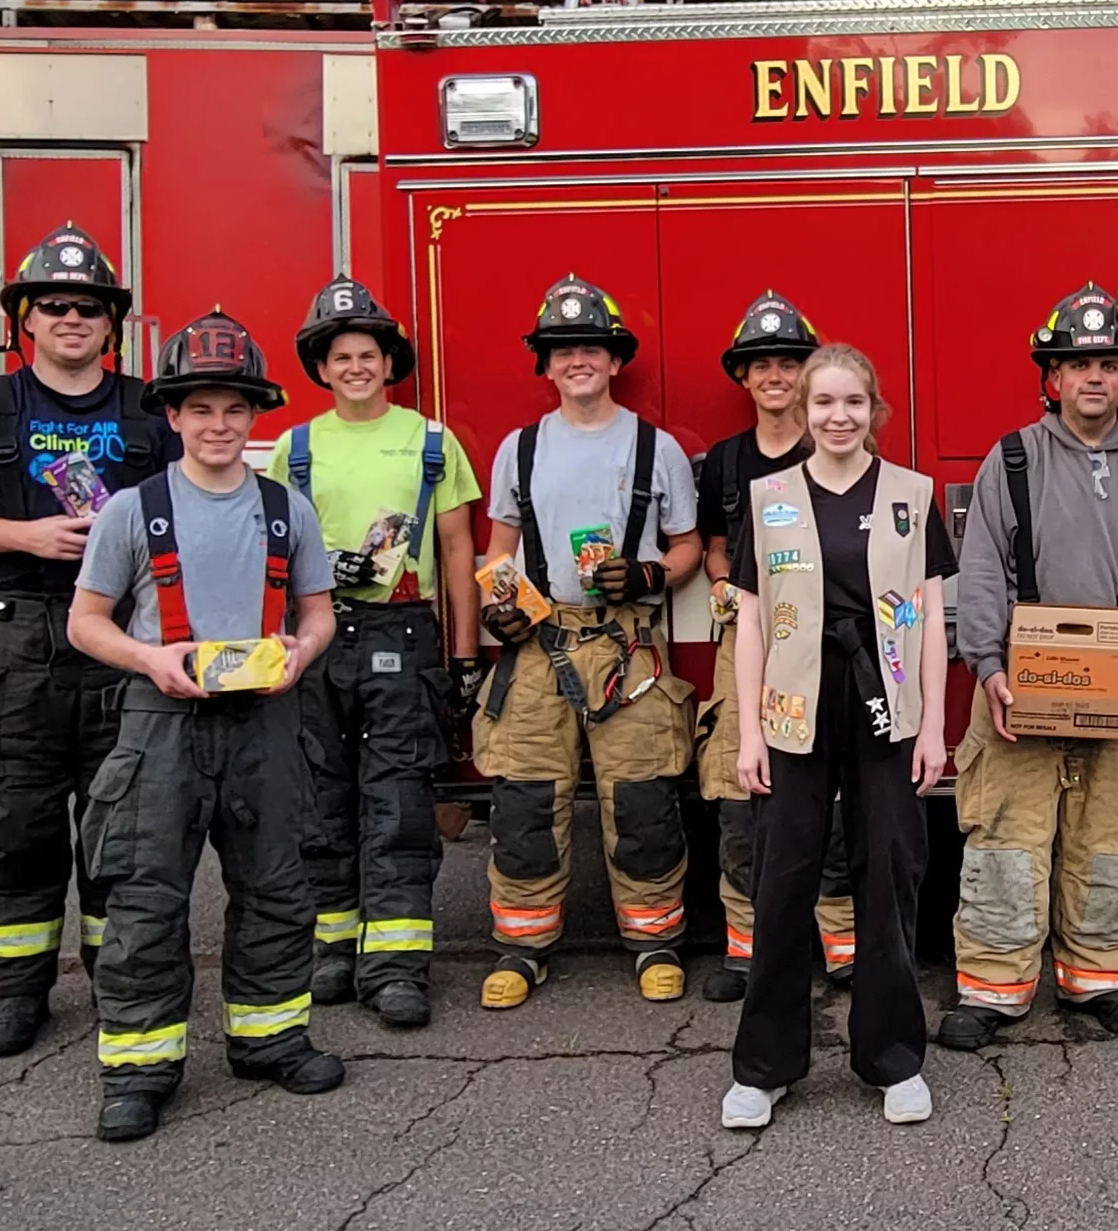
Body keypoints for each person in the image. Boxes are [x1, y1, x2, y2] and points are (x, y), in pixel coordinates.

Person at [0, 224, 179, 1059]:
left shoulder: (147, 412)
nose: (72, 317)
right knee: (14, 825)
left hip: (120, 641)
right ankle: (14, 991)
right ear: (25, 318)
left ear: (111, 322)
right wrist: (28, 538)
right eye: (54, 304)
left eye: (89, 306)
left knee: (120, 827)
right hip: (19, 639)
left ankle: (117, 981)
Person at [68, 310, 340, 1142]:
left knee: (278, 887)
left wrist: (301, 654)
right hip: (160, 722)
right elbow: (86, 622)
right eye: (199, 409)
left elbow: (319, 614)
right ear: (173, 415)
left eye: (233, 409)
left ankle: (270, 1038)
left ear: (254, 415)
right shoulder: (131, 511)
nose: (217, 425)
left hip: (266, 719)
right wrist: (151, 660)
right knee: (146, 898)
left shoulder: (285, 507)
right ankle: (140, 1068)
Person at [939, 283, 1118, 1050]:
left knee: (1111, 839)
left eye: (1108, 362)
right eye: (1076, 363)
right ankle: (993, 987)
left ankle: (1099, 978)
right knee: (1004, 835)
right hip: (1016, 687)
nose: (1092, 376)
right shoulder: (1013, 458)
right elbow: (985, 569)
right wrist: (987, 667)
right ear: (1051, 378)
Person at [717, 344, 955, 1129]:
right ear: (803, 411)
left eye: (853, 402)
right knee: (782, 879)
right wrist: (748, 730)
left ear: (873, 408)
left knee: (888, 874)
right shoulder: (768, 497)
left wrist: (933, 726)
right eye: (823, 403)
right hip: (794, 705)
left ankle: (892, 1060)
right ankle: (764, 1067)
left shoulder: (911, 496)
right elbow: (750, 620)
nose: (838, 416)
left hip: (883, 702)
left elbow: (926, 620)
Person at [472, 275, 702, 1009]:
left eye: (591, 349)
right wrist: (495, 610)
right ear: (546, 365)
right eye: (562, 350)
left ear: (613, 361)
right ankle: (522, 947)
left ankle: (654, 940)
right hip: (538, 645)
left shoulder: (655, 447)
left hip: (627, 646)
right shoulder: (520, 448)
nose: (578, 361)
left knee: (641, 803)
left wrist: (646, 572)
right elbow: (497, 548)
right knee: (525, 804)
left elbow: (689, 547)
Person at [266, 277, 483, 1029]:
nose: (356, 366)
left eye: (368, 354)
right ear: (320, 369)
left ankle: (395, 966)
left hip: (403, 631)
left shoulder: (430, 441)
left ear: (389, 364)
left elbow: (458, 554)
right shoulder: (292, 448)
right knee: (322, 799)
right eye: (341, 356)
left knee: (398, 803)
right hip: (320, 635)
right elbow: (273, 557)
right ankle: (334, 947)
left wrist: (463, 660)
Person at [694, 292, 860, 1003]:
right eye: (760, 364)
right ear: (743, 377)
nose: (774, 376)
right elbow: (713, 548)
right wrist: (728, 587)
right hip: (750, 639)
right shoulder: (726, 462)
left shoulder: (834, 447)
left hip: (828, 644)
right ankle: (749, 942)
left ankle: (841, 939)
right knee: (741, 794)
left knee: (836, 793)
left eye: (788, 363)